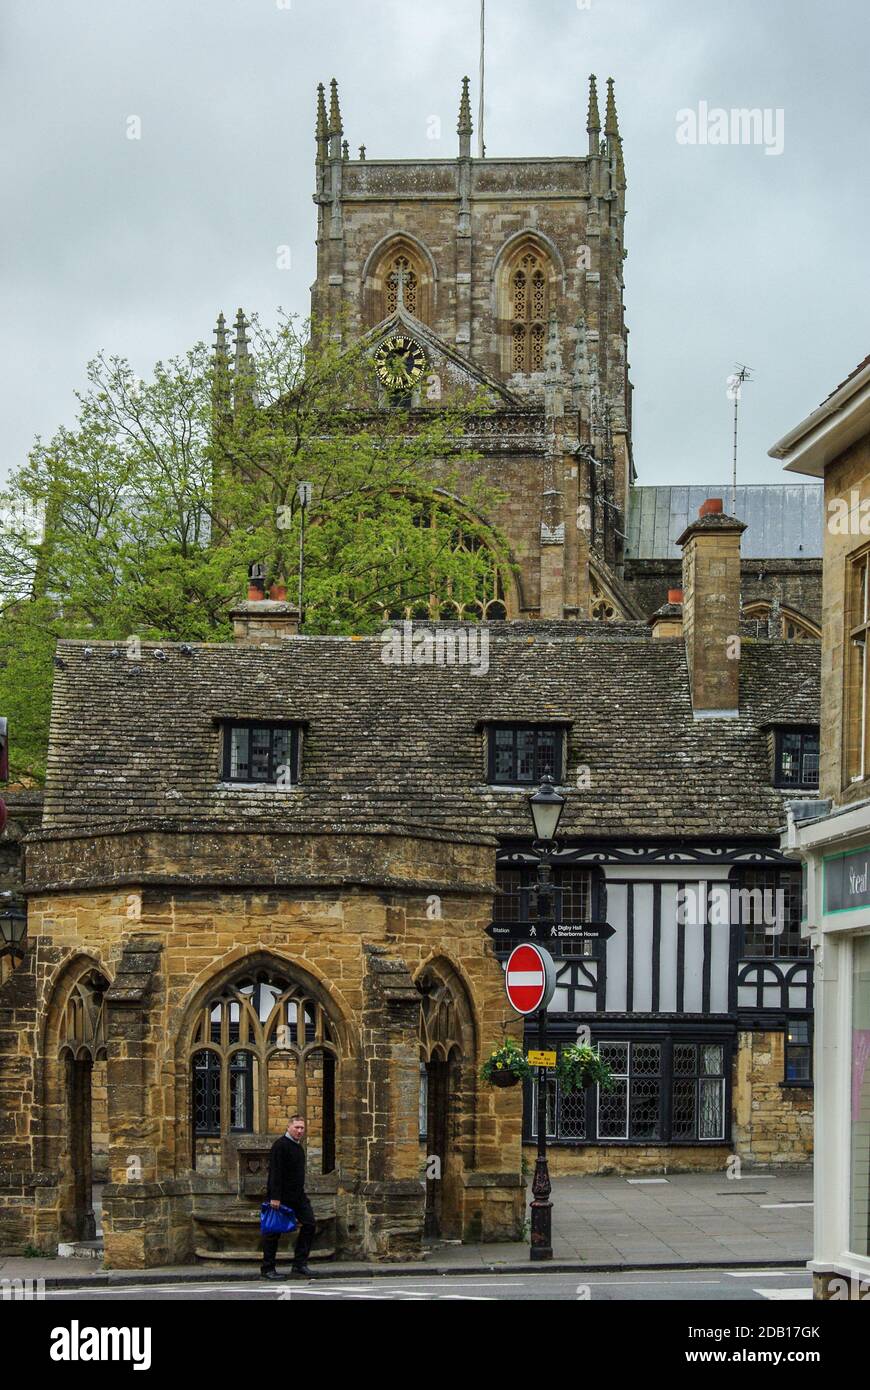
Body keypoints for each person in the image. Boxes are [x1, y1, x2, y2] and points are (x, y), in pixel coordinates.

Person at [261, 1114, 317, 1280]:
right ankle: (267, 1269)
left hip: (297, 1196)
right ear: (289, 1127)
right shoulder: (280, 1145)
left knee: (310, 1224)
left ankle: (299, 1264)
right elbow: (275, 1172)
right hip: (280, 1196)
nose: (299, 1131)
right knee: (273, 1231)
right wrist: (275, 1197)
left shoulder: (298, 1147)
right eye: (296, 1127)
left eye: (302, 1128)